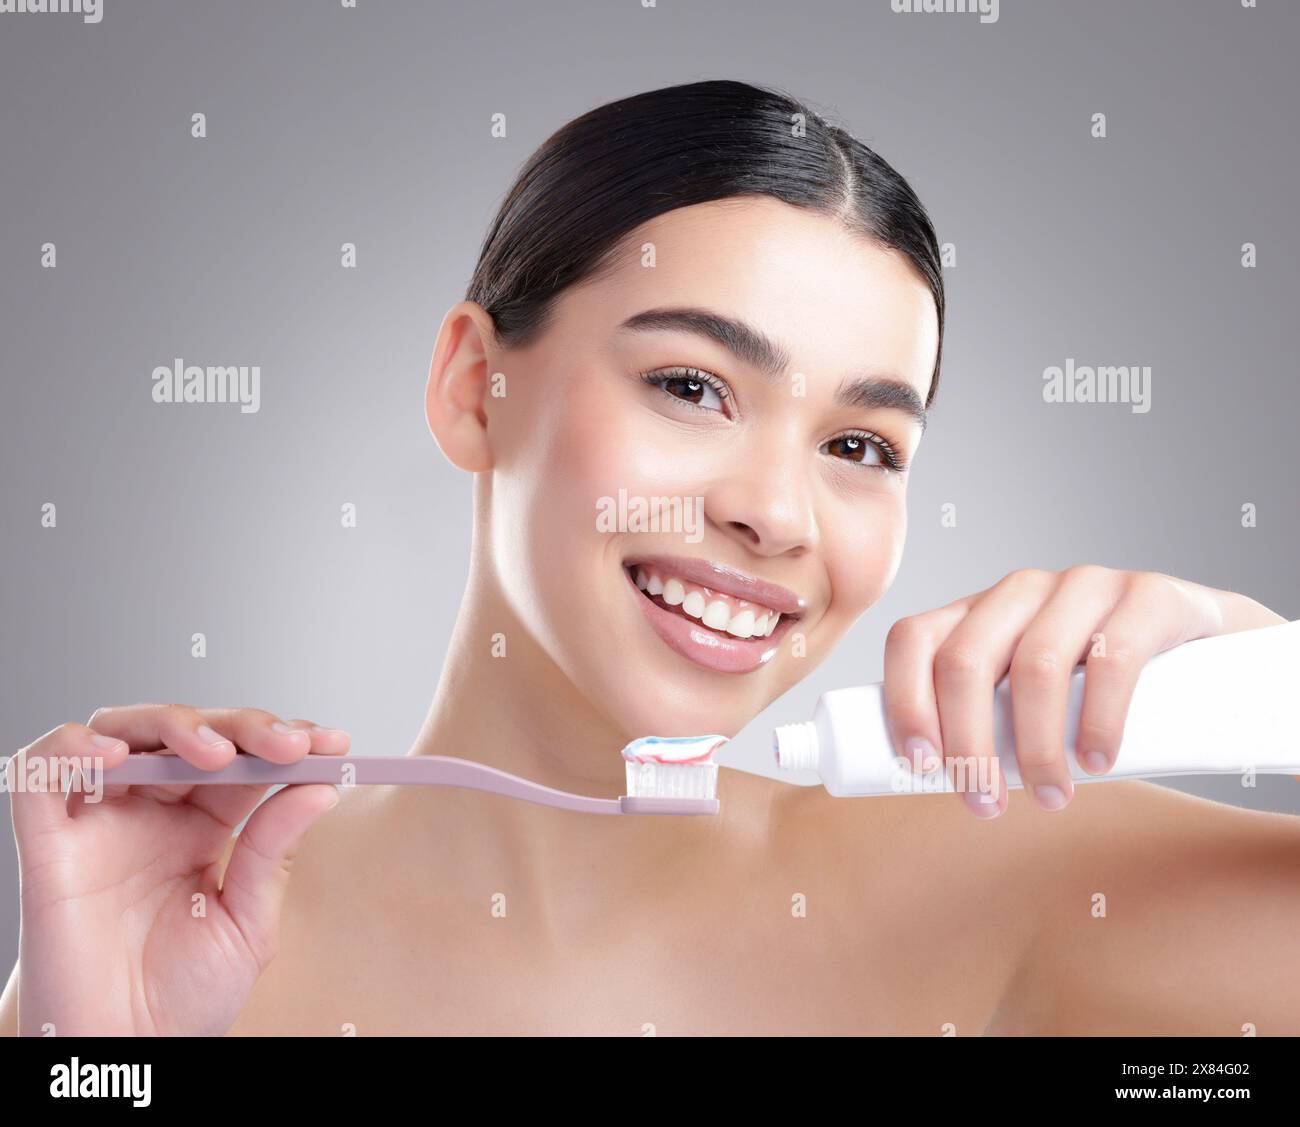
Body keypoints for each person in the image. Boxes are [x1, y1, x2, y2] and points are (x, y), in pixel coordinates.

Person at [3, 80, 1297, 1037]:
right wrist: (84, 1065)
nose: (776, 514)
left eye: (860, 446)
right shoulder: (192, 945)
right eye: (691, 383)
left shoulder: (1032, 881)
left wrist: (1268, 678)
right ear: (472, 385)